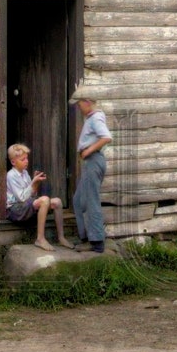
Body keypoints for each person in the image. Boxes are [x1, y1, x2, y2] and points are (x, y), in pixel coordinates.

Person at [5, 143, 74, 251]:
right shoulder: (11, 175)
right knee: (44, 200)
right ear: (13, 162)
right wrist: (33, 183)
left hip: (24, 206)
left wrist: (35, 183)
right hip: (14, 209)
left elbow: (32, 195)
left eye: (27, 158)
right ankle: (40, 239)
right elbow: (21, 198)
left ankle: (61, 237)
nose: (26, 161)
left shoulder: (25, 173)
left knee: (57, 202)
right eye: (23, 159)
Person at [69, 85, 112, 253]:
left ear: (87, 102)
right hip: (90, 162)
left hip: (94, 160)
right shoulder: (92, 118)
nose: (78, 107)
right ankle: (86, 237)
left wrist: (88, 150)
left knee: (90, 201)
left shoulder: (96, 118)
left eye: (79, 103)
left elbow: (106, 137)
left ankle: (96, 242)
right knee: (78, 201)